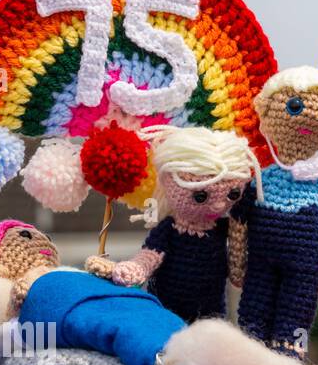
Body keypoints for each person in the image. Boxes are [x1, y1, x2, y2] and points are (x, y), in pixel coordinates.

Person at [0, 220, 316, 365]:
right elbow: (0, 348)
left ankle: (184, 362)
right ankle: (179, 362)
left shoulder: (36, 290)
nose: (29, 241)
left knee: (132, 324)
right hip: (77, 301)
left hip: (89, 300)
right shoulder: (25, 291)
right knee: (125, 325)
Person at [228, 66, 318, 357]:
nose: (309, 116)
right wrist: (237, 261)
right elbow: (238, 221)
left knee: (296, 315)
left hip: (304, 272)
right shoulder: (258, 182)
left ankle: (290, 356)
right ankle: (251, 356)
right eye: (295, 106)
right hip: (260, 265)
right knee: (253, 313)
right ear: (267, 115)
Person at [86, 127, 261, 323]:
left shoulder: (224, 227)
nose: (219, 205)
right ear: (170, 185)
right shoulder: (169, 229)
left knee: (210, 332)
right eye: (201, 196)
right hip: (167, 303)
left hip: (211, 306)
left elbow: (241, 248)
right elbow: (151, 254)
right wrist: (137, 267)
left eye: (233, 194)